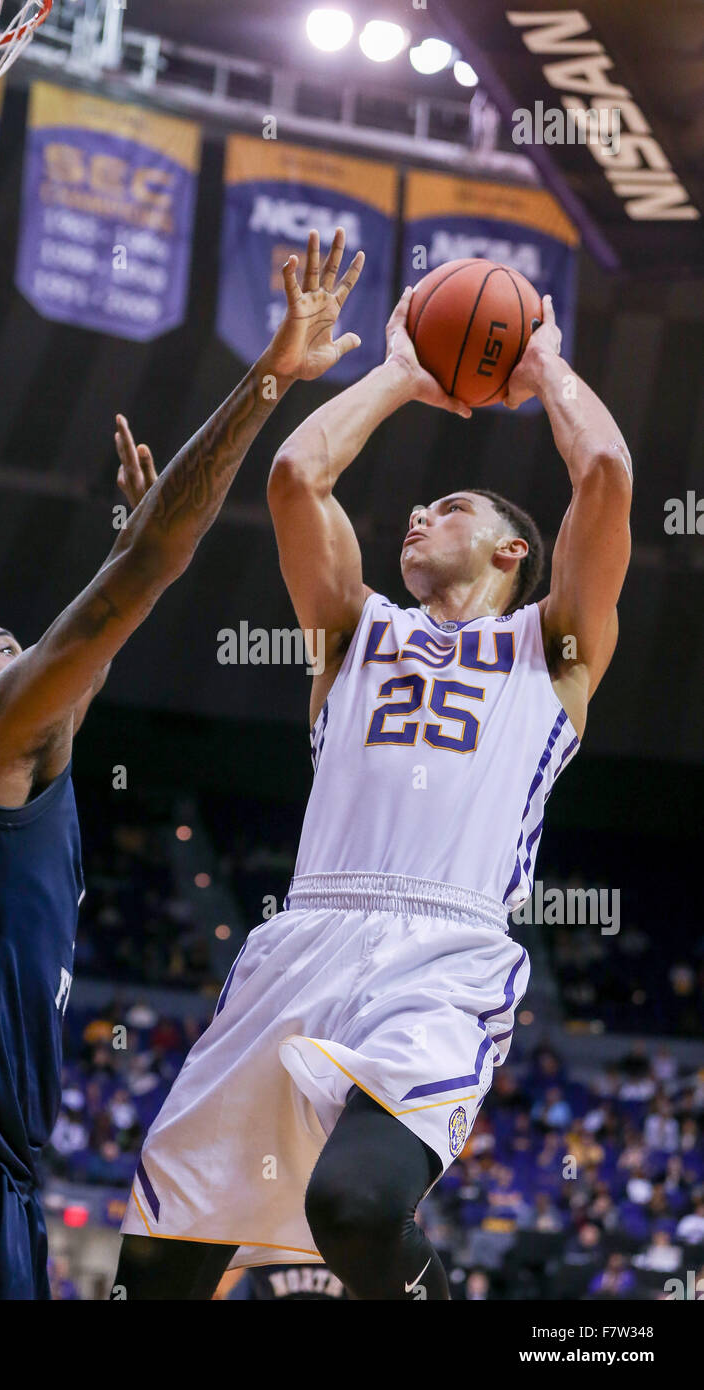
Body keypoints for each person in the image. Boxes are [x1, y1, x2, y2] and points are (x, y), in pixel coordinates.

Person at [0, 228, 364, 1300]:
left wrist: (128, 549)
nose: (26, 649)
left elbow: (97, 633)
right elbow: (143, 577)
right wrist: (270, 375)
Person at [113, 270, 632, 1300]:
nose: (416, 512)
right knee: (157, 1272)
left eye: (447, 506)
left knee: (352, 1207)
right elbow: (297, 477)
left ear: (508, 548)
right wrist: (399, 371)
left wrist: (543, 364)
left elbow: (606, 472)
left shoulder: (554, 646)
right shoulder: (354, 629)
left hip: (443, 951)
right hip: (301, 940)